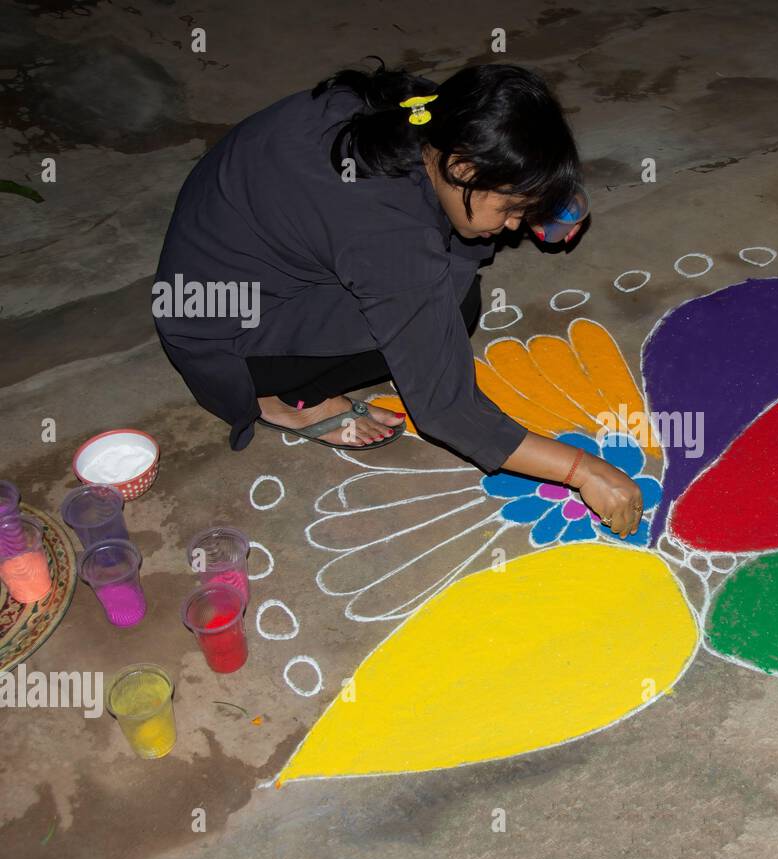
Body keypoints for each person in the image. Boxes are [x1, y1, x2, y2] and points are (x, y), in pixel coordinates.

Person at [153, 60, 642, 537]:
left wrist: (536, 200)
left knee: (451, 269)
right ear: (465, 166)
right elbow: (445, 407)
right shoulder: (385, 233)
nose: (516, 225)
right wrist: (584, 472)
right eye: (513, 208)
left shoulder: (424, 111)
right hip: (227, 338)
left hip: (213, 275)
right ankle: (284, 399)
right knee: (452, 303)